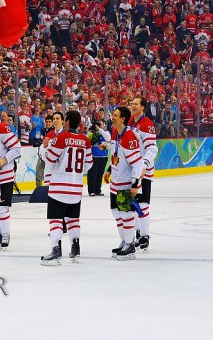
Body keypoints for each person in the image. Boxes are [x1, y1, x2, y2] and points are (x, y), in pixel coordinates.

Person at [40, 110, 93, 265]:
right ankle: (75, 249)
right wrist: (76, 173)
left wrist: (48, 149)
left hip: (58, 187)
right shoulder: (85, 140)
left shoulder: (61, 137)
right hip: (76, 187)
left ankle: (56, 250)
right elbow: (89, 163)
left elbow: (50, 158)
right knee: (73, 219)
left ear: (67, 122)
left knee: (55, 219)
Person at [104, 107, 144, 261]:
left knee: (126, 214)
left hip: (126, 184)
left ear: (123, 119)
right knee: (116, 213)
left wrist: (134, 185)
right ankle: (124, 242)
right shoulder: (115, 133)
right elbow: (115, 155)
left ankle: (130, 245)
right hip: (116, 181)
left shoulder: (129, 137)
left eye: (115, 115)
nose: (112, 117)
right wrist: (109, 169)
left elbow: (137, 164)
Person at [0, 105, 22, 250]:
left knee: (2, 207)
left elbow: (17, 148)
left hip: (4, 175)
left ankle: (5, 235)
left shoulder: (2, 128)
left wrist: (4, 160)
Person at [128, 95, 158, 252]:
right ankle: (138, 232)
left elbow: (152, 148)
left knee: (143, 203)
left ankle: (144, 235)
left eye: (135, 104)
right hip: (132, 170)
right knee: (133, 204)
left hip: (144, 171)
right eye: (131, 103)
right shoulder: (129, 122)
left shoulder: (147, 124)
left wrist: (145, 164)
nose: (132, 106)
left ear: (142, 108)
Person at [87, 121, 110, 196]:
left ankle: (97, 190)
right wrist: (90, 130)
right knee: (92, 174)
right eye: (98, 125)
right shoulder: (91, 134)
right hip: (94, 157)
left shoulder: (106, 133)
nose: (99, 126)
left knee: (100, 174)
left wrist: (99, 129)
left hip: (103, 157)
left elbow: (108, 138)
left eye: (101, 125)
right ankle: (91, 190)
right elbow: (88, 141)